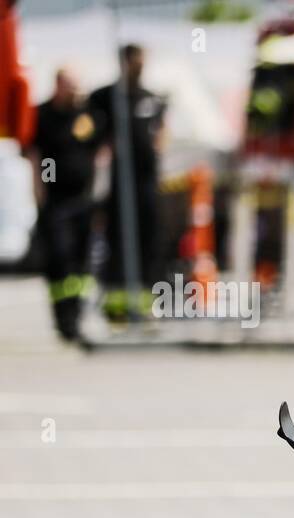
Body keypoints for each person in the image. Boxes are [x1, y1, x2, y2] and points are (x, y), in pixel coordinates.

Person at [88, 44, 166, 322]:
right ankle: (116, 305)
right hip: (119, 184)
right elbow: (92, 139)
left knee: (150, 241)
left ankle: (148, 304)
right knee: (118, 241)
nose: (140, 67)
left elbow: (160, 135)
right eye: (135, 62)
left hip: (147, 183)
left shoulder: (152, 98)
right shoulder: (105, 97)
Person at [27, 67, 103, 342]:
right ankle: (63, 318)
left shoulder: (86, 115)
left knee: (83, 260)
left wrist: (95, 189)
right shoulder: (44, 115)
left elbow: (99, 151)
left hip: (83, 198)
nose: (75, 92)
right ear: (58, 85)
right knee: (59, 257)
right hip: (56, 201)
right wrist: (42, 191)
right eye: (70, 86)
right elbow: (39, 156)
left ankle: (77, 316)